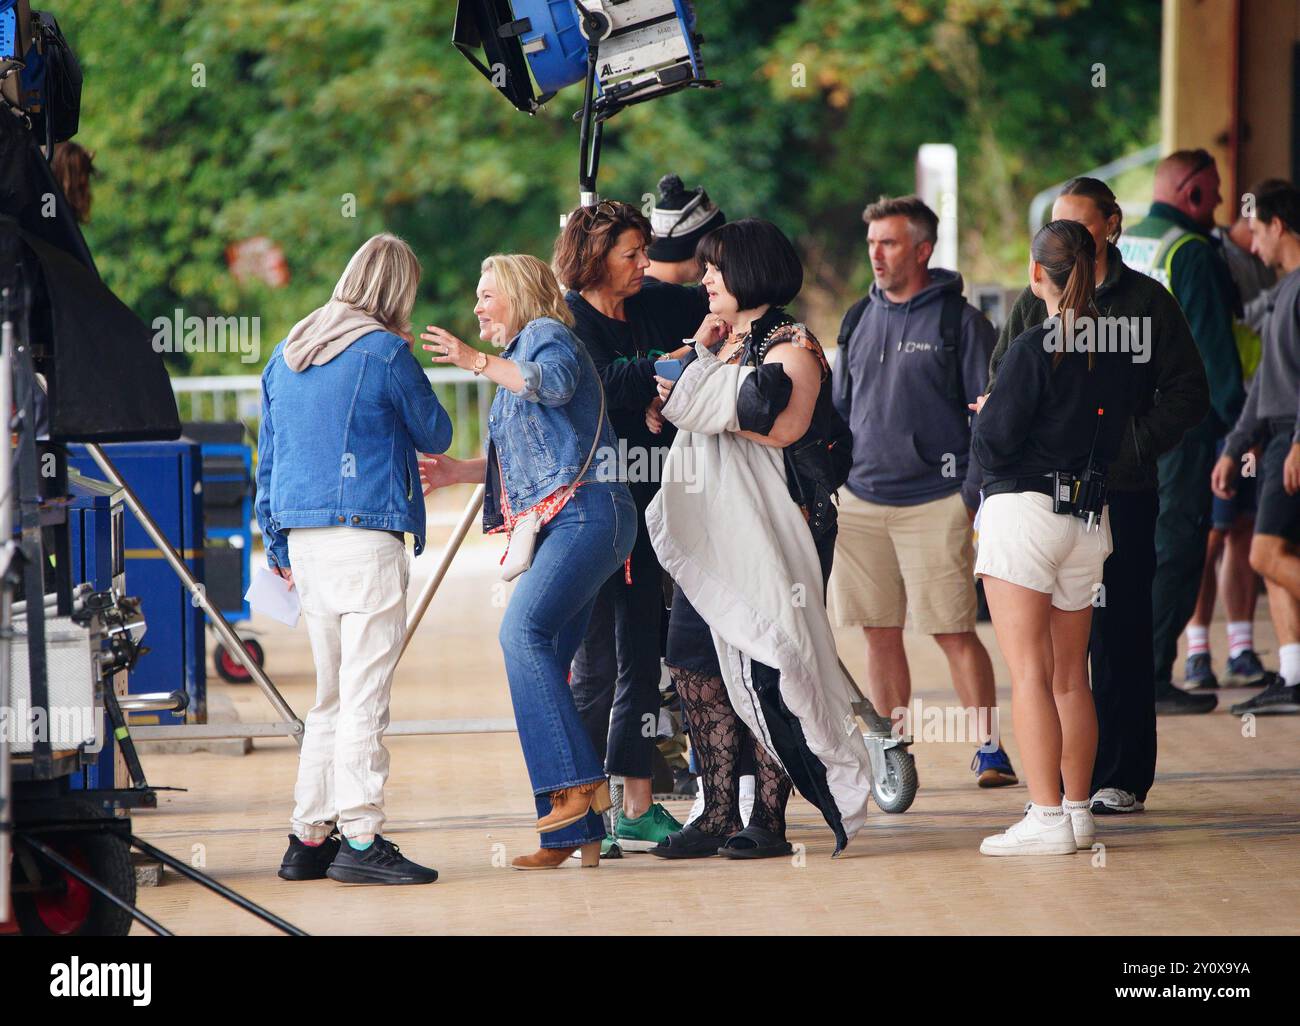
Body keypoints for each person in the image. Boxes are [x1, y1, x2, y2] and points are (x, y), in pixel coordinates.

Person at [647, 218, 872, 859]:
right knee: (689, 657)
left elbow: (778, 426)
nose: (704, 276)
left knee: (774, 659)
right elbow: (688, 404)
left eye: (715, 266)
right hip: (716, 533)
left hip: (779, 530)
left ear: (750, 271)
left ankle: (768, 818)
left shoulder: (791, 344)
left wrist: (696, 385)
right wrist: (699, 369)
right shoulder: (719, 342)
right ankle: (718, 808)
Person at [990, 177, 1209, 817]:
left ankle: (1120, 777)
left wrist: (1125, 446)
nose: (1066, 242)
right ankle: (1060, 792)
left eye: (1077, 229)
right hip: (1044, 499)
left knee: (1121, 637)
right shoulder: (1034, 307)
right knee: (1059, 659)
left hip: (1124, 495)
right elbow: (1001, 381)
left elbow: (1191, 393)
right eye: (1056, 230)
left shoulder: (1149, 303)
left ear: (1110, 227)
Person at [419, 253, 638, 868]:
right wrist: (462, 472)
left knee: (520, 636)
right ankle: (575, 837)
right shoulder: (522, 355)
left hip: (589, 513)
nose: (477, 306)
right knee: (545, 662)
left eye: (487, 294)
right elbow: (524, 450)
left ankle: (582, 791)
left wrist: (474, 360)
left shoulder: (547, 337)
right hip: (581, 517)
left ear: (517, 294)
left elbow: (557, 385)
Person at [257, 234, 453, 885]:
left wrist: (276, 543)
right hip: (365, 539)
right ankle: (362, 841)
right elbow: (438, 432)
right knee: (365, 696)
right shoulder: (384, 352)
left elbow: (270, 460)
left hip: (306, 543)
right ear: (397, 293)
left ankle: (308, 837)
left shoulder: (289, 352)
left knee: (332, 697)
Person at [828, 195, 1014, 787]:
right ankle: (894, 753)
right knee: (878, 632)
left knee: (952, 630)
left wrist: (969, 495)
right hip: (861, 502)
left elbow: (990, 418)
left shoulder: (962, 323)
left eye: (889, 243)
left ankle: (989, 748)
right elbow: (837, 410)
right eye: (872, 243)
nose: (876, 255)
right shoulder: (858, 317)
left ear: (923, 249)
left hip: (936, 501)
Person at [973, 220, 1142, 856]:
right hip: (1087, 521)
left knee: (1031, 677)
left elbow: (995, 441)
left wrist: (987, 411)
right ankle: (1076, 809)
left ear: (1036, 272)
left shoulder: (1031, 348)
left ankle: (1045, 818)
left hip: (1024, 515)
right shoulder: (1116, 347)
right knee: (1073, 676)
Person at [555, 200, 707, 853]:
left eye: (646, 252)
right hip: (592, 514)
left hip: (652, 508)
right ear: (594, 259)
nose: (645, 265)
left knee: (645, 658)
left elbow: (713, 307)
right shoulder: (569, 320)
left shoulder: (650, 300)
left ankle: (638, 805)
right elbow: (599, 383)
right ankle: (588, 809)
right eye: (632, 254)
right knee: (595, 667)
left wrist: (682, 361)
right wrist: (662, 370)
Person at [1119, 149, 1246, 715]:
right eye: (1214, 193)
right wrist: (1241, 434)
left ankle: (1127, 671)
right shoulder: (1190, 252)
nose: (1219, 204)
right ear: (1191, 193)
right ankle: (1150, 677)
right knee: (1179, 546)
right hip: (1183, 429)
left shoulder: (1129, 243)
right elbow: (1216, 355)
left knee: (1136, 547)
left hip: (1129, 424)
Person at [1212, 180, 1300, 716]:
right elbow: (1269, 379)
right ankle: (1292, 676)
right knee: (1278, 558)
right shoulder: (1285, 290)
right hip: (1277, 439)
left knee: (1263, 553)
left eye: (1257, 230)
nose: (1252, 243)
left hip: (1292, 440)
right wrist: (1233, 447)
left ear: (1279, 226)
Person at [1183, 215, 1279, 689]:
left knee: (1241, 527)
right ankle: (1197, 650)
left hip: (1248, 417)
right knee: (1211, 534)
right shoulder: (1209, 256)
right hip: (1223, 418)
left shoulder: (1259, 264)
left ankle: (1241, 647)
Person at [646, 173, 725, 286]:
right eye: (717, 242)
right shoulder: (660, 300)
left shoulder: (639, 292)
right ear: (701, 248)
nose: (721, 255)